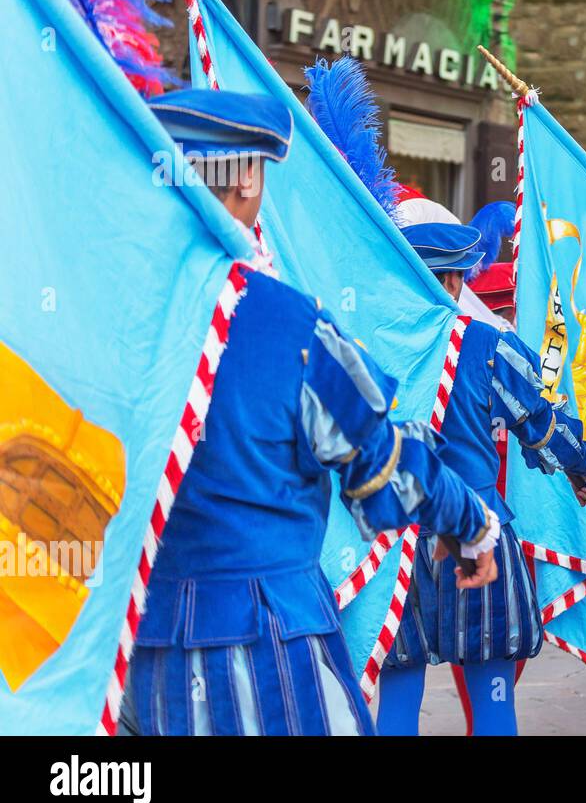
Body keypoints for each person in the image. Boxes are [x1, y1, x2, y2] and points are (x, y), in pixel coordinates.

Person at [121, 89, 499, 736]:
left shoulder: (106, 314)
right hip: (266, 648)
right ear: (245, 177)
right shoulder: (286, 321)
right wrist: (472, 525)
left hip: (132, 654)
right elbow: (385, 462)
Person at [376, 222, 586, 736]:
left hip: (395, 543)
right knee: (492, 695)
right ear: (455, 281)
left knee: (398, 693)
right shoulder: (485, 345)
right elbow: (543, 426)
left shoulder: (376, 347)